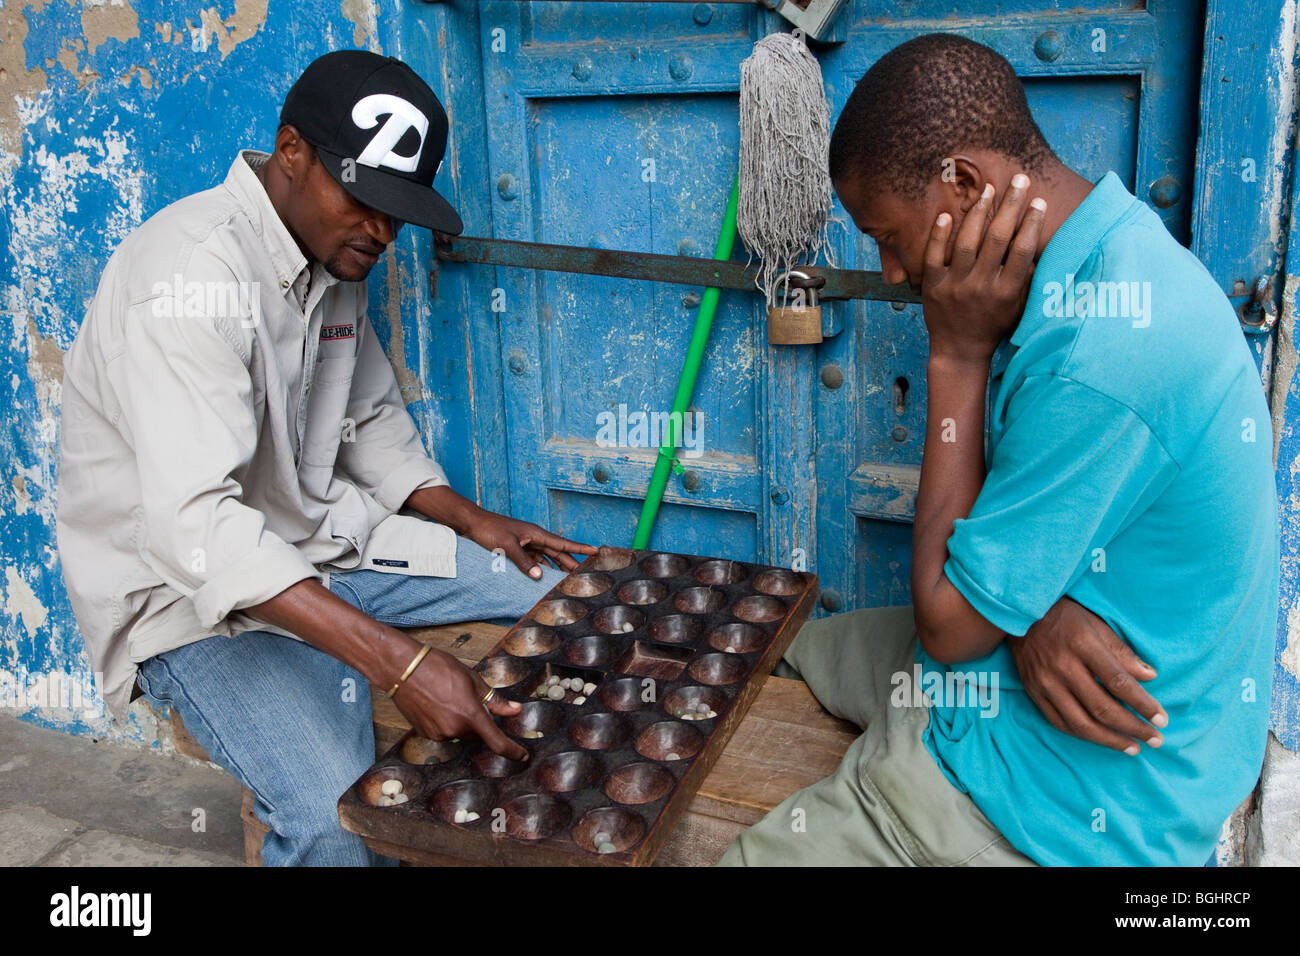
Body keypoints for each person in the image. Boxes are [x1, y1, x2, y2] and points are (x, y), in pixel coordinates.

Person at [718, 33, 1277, 866]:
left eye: (889, 237)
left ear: (966, 185)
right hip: (1010, 655)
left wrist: (955, 355)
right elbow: (1013, 559)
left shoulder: (1103, 355)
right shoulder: (1105, 252)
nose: (894, 274)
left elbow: (949, 628)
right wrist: (1029, 613)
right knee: (769, 642)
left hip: (1064, 804)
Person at [56, 49, 596, 866]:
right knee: (334, 814)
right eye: (365, 200)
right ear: (292, 152)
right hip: (185, 598)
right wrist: (399, 662)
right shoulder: (188, 277)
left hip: (318, 546)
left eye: (398, 210)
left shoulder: (328, 256)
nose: (382, 231)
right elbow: (195, 530)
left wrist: (472, 521)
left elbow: (370, 416)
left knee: (563, 595)